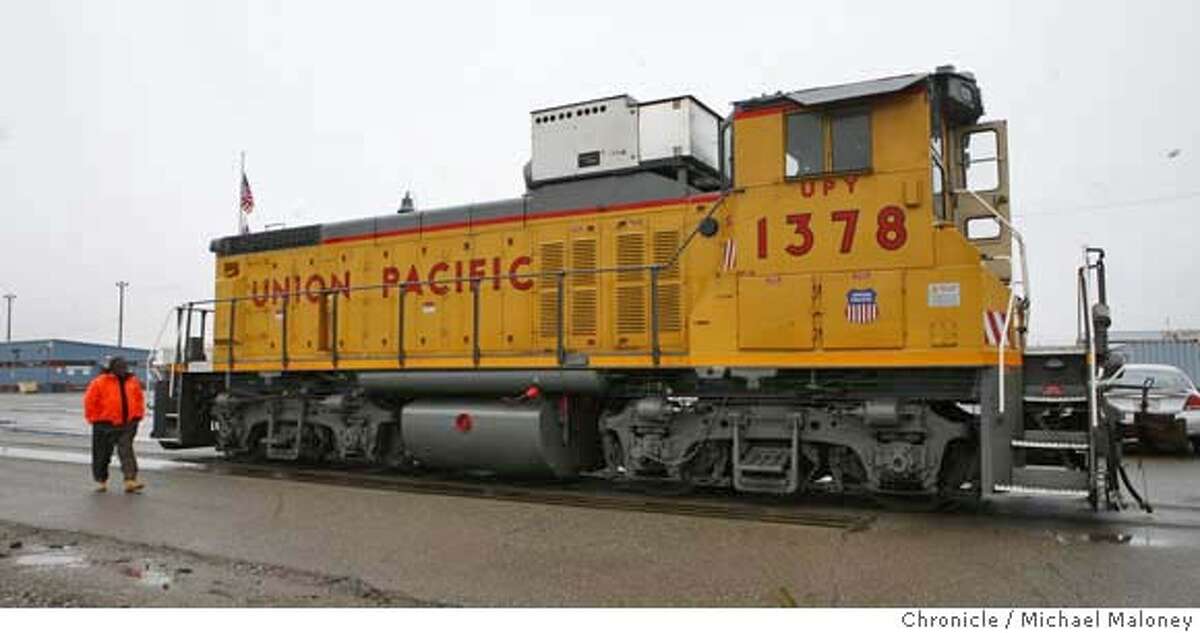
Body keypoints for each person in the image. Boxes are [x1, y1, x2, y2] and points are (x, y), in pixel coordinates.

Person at [83, 356, 146, 493]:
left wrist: (137, 416)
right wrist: (94, 419)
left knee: (126, 451)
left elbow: (139, 399)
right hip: (104, 423)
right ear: (112, 368)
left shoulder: (132, 381)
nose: (122, 370)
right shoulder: (100, 382)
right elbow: (90, 401)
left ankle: (130, 480)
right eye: (119, 367)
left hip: (128, 423)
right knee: (102, 453)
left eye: (124, 367)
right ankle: (100, 480)